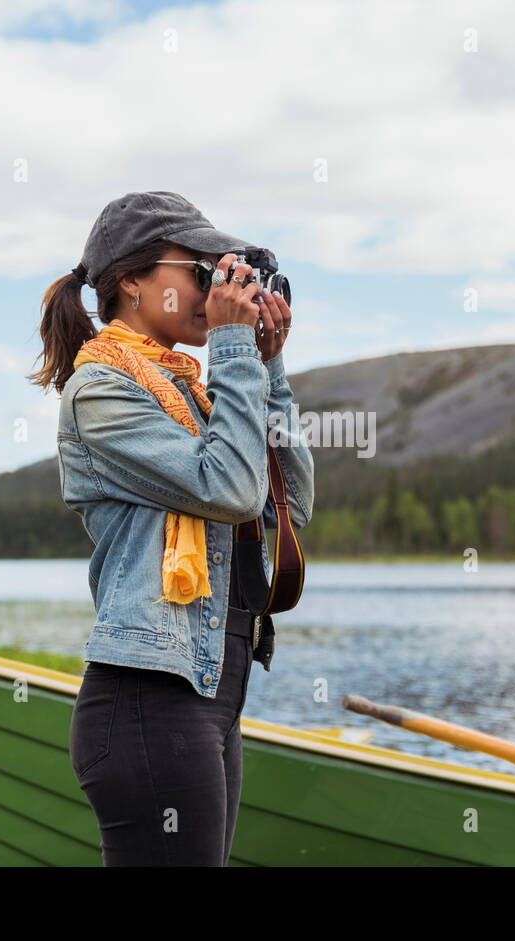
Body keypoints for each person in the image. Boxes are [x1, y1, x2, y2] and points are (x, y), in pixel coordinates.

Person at [27, 191, 315, 865]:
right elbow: (231, 487)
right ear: (132, 280)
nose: (212, 286)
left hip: (210, 695)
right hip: (148, 702)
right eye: (199, 268)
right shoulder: (101, 389)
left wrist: (267, 364)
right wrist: (237, 349)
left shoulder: (192, 390)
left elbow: (288, 503)